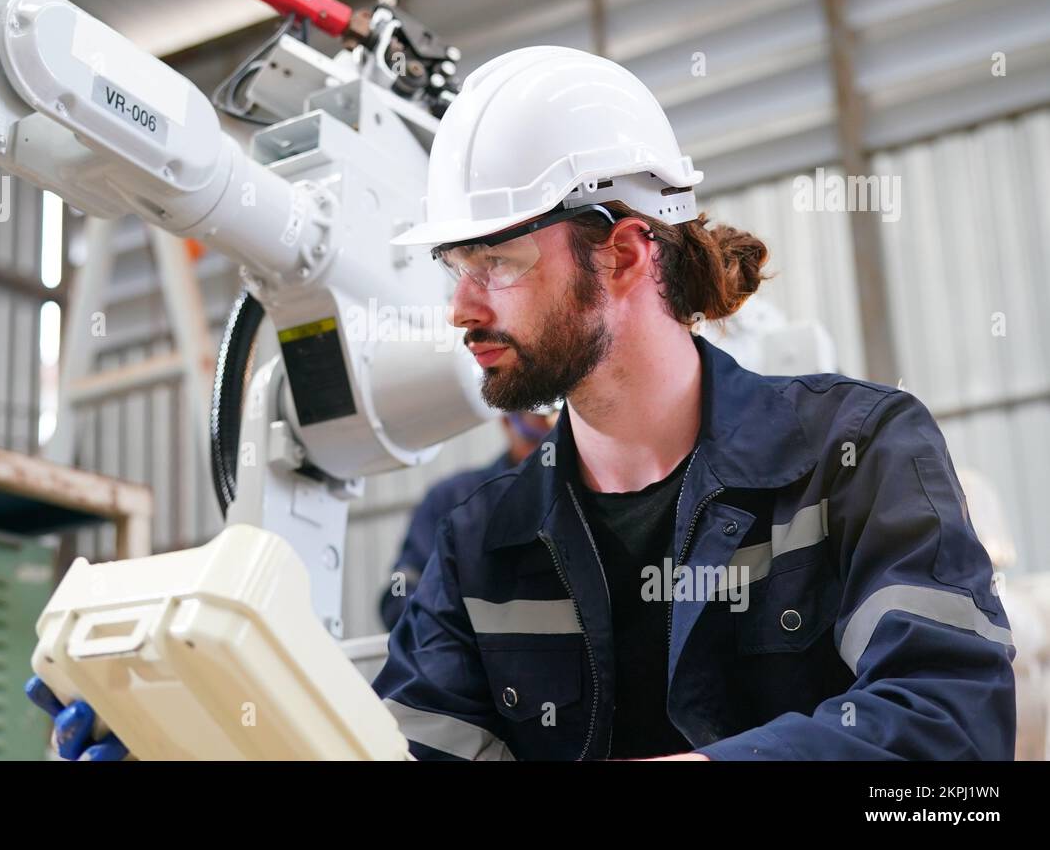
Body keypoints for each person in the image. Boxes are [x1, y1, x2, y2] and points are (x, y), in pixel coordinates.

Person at [370, 45, 1016, 760]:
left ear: (624, 254)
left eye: (495, 262)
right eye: (455, 268)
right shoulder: (476, 545)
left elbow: (951, 722)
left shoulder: (855, 454)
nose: (461, 308)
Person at [380, 412, 554, 631]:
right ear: (507, 422)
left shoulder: (580, 498)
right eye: (534, 438)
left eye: (554, 440)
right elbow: (401, 588)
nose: (544, 452)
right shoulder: (451, 498)